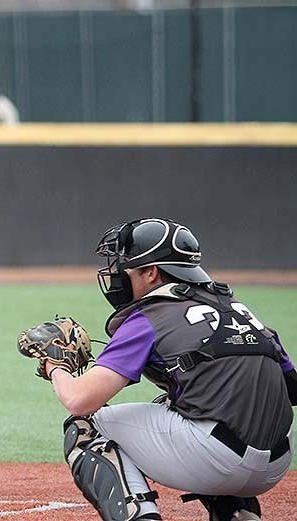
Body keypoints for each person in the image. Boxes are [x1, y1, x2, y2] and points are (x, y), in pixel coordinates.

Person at [42, 218, 294, 521]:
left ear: (151, 273)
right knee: (177, 406)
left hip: (215, 461)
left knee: (85, 426)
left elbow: (80, 399)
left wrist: (56, 363)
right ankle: (236, 512)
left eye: (126, 267)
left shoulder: (149, 314)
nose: (117, 274)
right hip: (277, 462)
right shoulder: (237, 309)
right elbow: (291, 388)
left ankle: (140, 517)